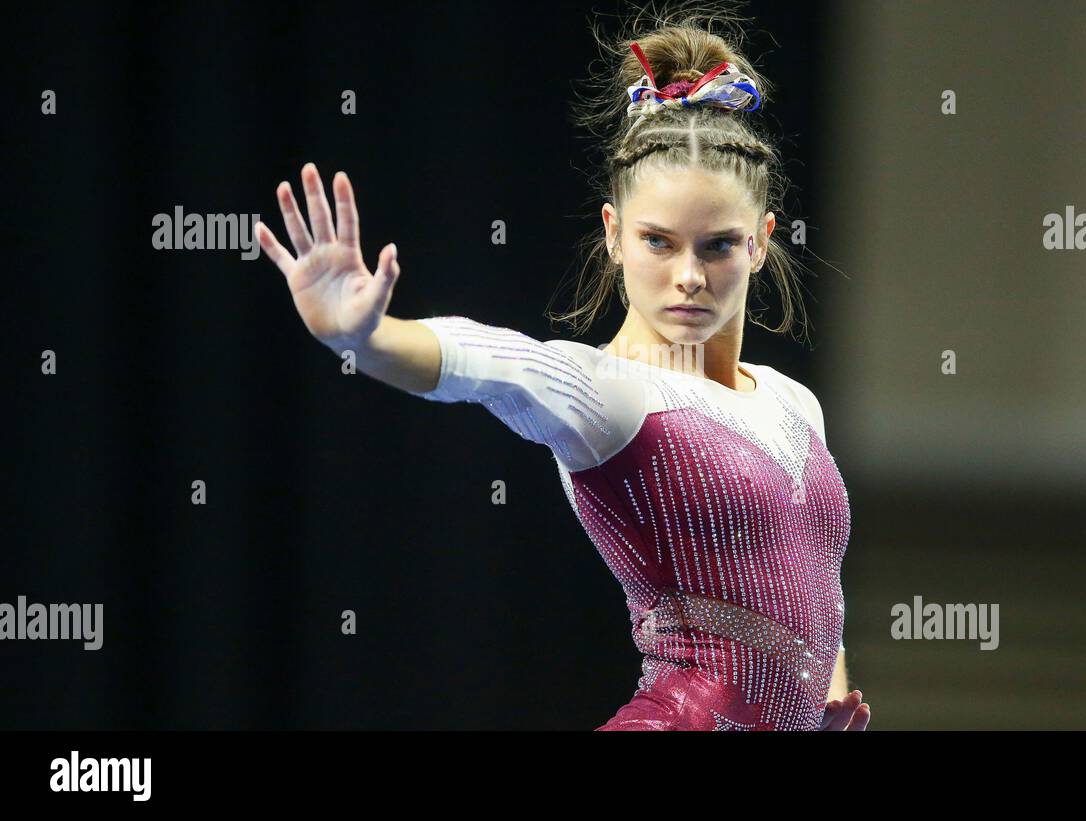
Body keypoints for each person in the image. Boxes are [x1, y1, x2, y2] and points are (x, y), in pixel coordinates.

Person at [253, 6, 869, 731]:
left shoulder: (796, 402)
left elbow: (814, 577)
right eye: (658, 242)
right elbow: (489, 363)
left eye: (718, 246)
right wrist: (366, 335)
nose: (689, 276)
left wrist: (827, 694)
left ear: (761, 242)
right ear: (613, 235)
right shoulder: (611, 393)